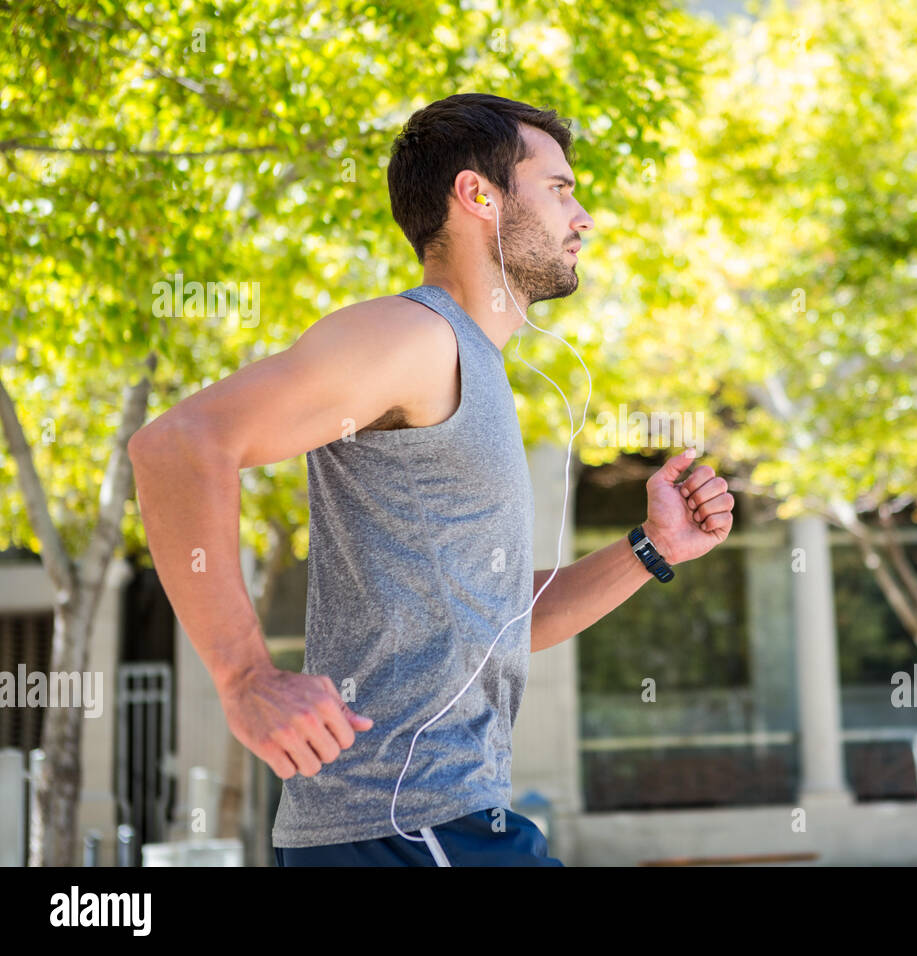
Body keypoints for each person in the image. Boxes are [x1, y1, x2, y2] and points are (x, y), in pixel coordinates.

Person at [128, 93, 736, 866]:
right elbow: (177, 446)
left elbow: (502, 620)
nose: (582, 218)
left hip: (438, 823)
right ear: (478, 194)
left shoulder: (472, 367)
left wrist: (651, 549)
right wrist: (244, 677)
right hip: (406, 826)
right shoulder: (413, 336)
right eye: (559, 189)